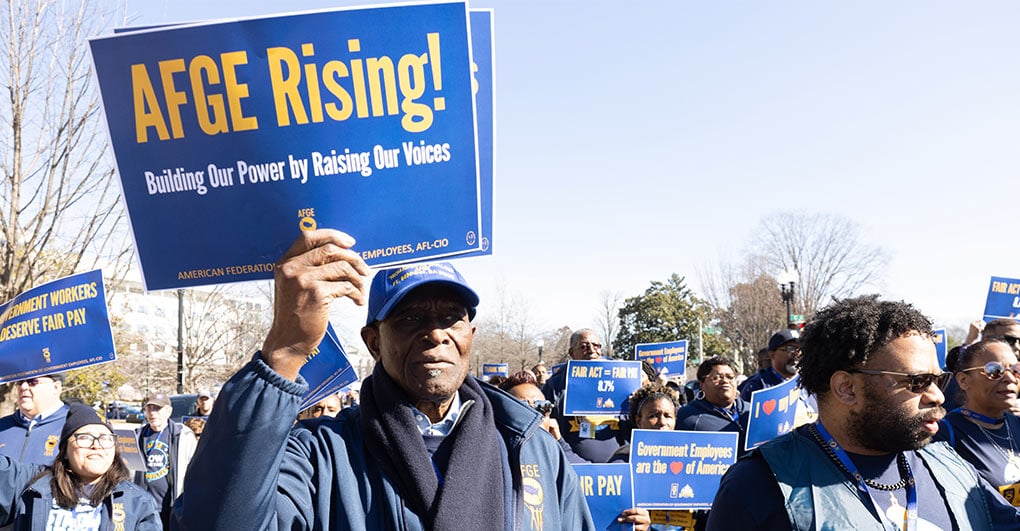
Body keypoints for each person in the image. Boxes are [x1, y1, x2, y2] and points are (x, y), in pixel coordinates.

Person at [174, 230, 593, 529]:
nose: (436, 334)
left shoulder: (532, 449)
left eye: (452, 317)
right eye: (411, 318)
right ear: (373, 342)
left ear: (470, 335)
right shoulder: (321, 454)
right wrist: (283, 353)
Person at [707, 295, 1020, 530]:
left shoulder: (952, 467)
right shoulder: (757, 486)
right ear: (846, 388)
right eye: (917, 381)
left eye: (938, 380)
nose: (937, 396)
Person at [0, 403, 159, 529]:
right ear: (65, 450)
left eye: (105, 438)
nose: (96, 445)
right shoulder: (32, 483)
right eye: (84, 437)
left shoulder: (138, 502)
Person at [936, 337, 1020, 505]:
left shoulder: (1017, 424)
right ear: (964, 381)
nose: (1010, 378)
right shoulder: (944, 435)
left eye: (1016, 370)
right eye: (994, 370)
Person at [542, 328, 625, 462]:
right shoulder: (556, 385)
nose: (592, 350)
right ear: (572, 353)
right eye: (584, 346)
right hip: (574, 465)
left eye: (596, 345)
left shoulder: (619, 378)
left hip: (617, 465)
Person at [607, 383, 683, 530]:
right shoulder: (623, 462)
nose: (662, 422)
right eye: (653, 416)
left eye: (668, 416)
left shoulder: (691, 460)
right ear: (638, 421)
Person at [135, 392, 196, 529]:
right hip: (144, 507)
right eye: (149, 408)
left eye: (157, 408)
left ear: (168, 411)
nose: (152, 413)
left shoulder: (183, 436)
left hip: (170, 507)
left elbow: (195, 470)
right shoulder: (138, 435)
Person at [498, 371, 585, 463]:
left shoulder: (552, 450)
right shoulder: (497, 455)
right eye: (524, 408)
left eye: (543, 407)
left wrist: (560, 443)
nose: (535, 416)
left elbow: (582, 469)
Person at [675, 357, 751, 456]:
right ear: (702, 384)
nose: (725, 381)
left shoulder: (752, 411)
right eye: (716, 377)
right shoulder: (688, 416)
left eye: (730, 377)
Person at [0, 372, 68, 467]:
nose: (23, 387)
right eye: (20, 382)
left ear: (56, 387)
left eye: (32, 382)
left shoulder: (73, 426)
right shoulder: (3, 426)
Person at [737, 329, 799, 401]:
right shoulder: (757, 386)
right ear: (772, 355)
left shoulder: (805, 383)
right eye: (790, 348)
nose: (797, 353)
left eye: (800, 349)